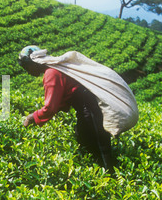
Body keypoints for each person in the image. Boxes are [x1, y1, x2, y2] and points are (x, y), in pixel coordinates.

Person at [18, 45, 117, 173]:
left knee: (100, 150)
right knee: (84, 141)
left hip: (91, 110)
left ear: (34, 63)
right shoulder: (56, 69)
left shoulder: (51, 73)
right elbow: (60, 102)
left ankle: (110, 181)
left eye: (27, 67)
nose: (27, 71)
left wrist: (32, 117)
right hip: (88, 109)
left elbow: (50, 108)